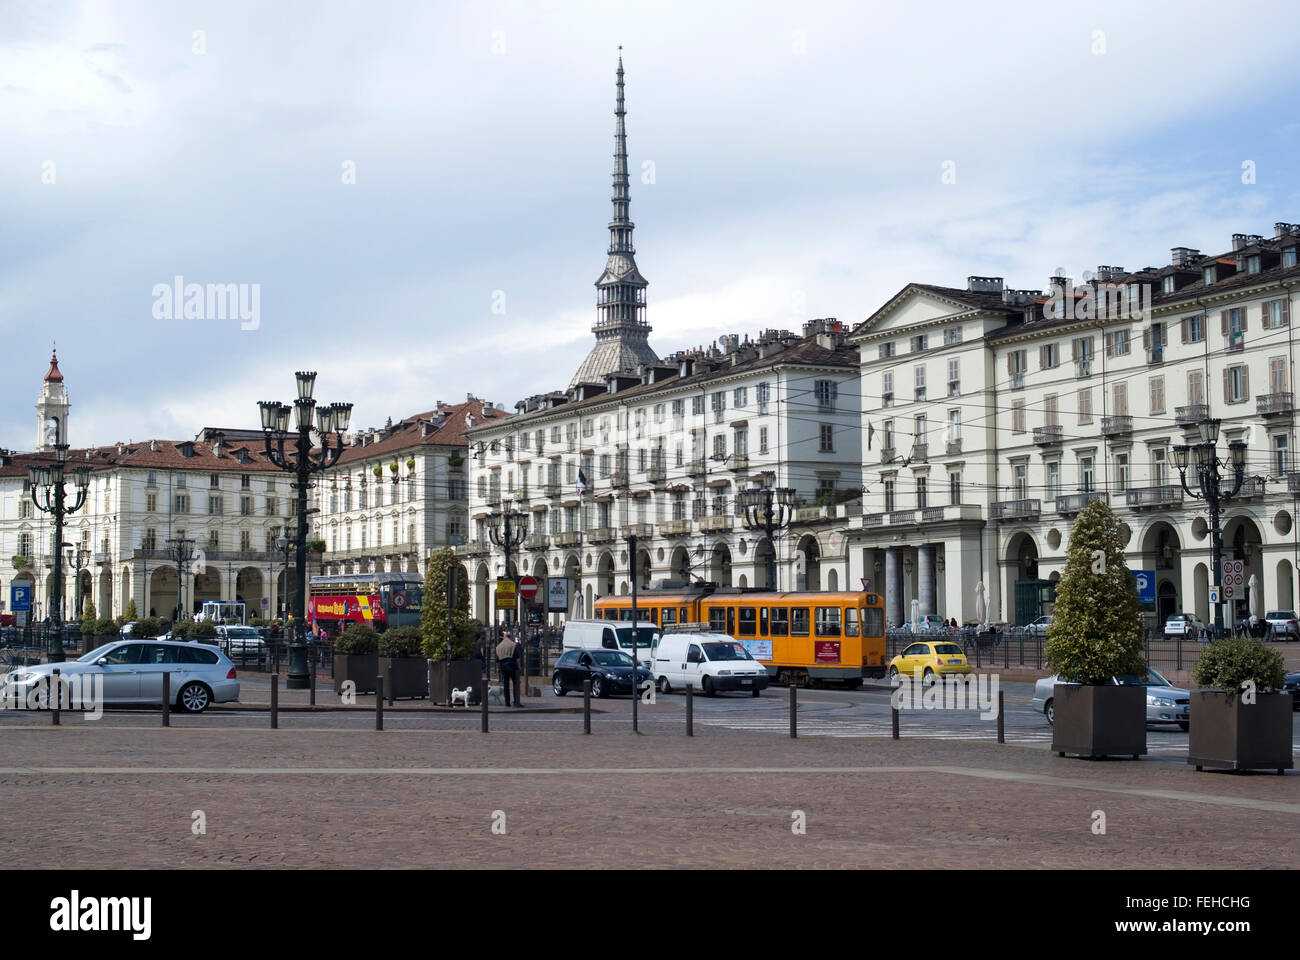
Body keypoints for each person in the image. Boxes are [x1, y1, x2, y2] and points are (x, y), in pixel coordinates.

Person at [495, 630, 522, 707]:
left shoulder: (499, 646)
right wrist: (519, 667)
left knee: (506, 684)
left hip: (504, 666)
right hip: (512, 666)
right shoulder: (513, 645)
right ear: (509, 637)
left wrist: (499, 669)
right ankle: (516, 701)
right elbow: (518, 659)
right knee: (515, 684)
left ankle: (507, 702)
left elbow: (497, 661)